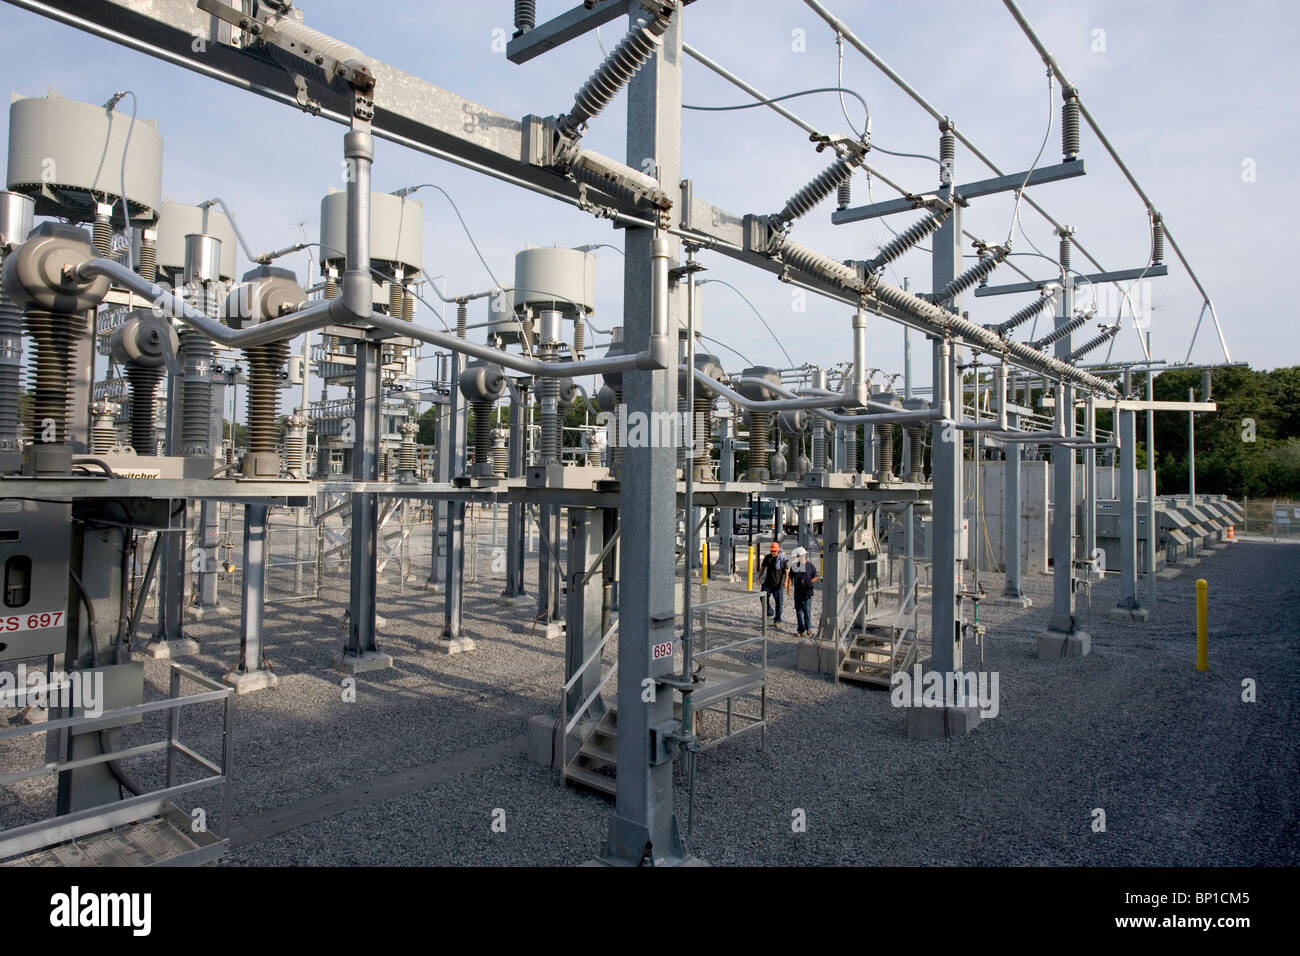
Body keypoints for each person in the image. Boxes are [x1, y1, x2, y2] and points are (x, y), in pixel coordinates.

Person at [759, 540, 790, 630]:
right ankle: (769, 611)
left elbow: (786, 571)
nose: (772, 552)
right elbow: (763, 568)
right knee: (762, 597)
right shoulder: (767, 558)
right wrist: (758, 577)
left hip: (778, 585)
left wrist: (785, 582)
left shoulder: (783, 559)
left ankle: (778, 620)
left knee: (779, 603)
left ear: (778, 551)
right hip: (768, 583)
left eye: (774, 551)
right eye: (771, 551)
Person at [789, 546, 818, 637]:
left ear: (804, 555)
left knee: (807, 611)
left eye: (800, 555)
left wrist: (808, 582)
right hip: (798, 592)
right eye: (798, 556)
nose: (799, 557)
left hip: (807, 592)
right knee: (798, 611)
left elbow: (816, 577)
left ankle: (808, 628)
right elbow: (790, 577)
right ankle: (800, 630)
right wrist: (788, 587)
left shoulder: (810, 566)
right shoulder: (795, 566)